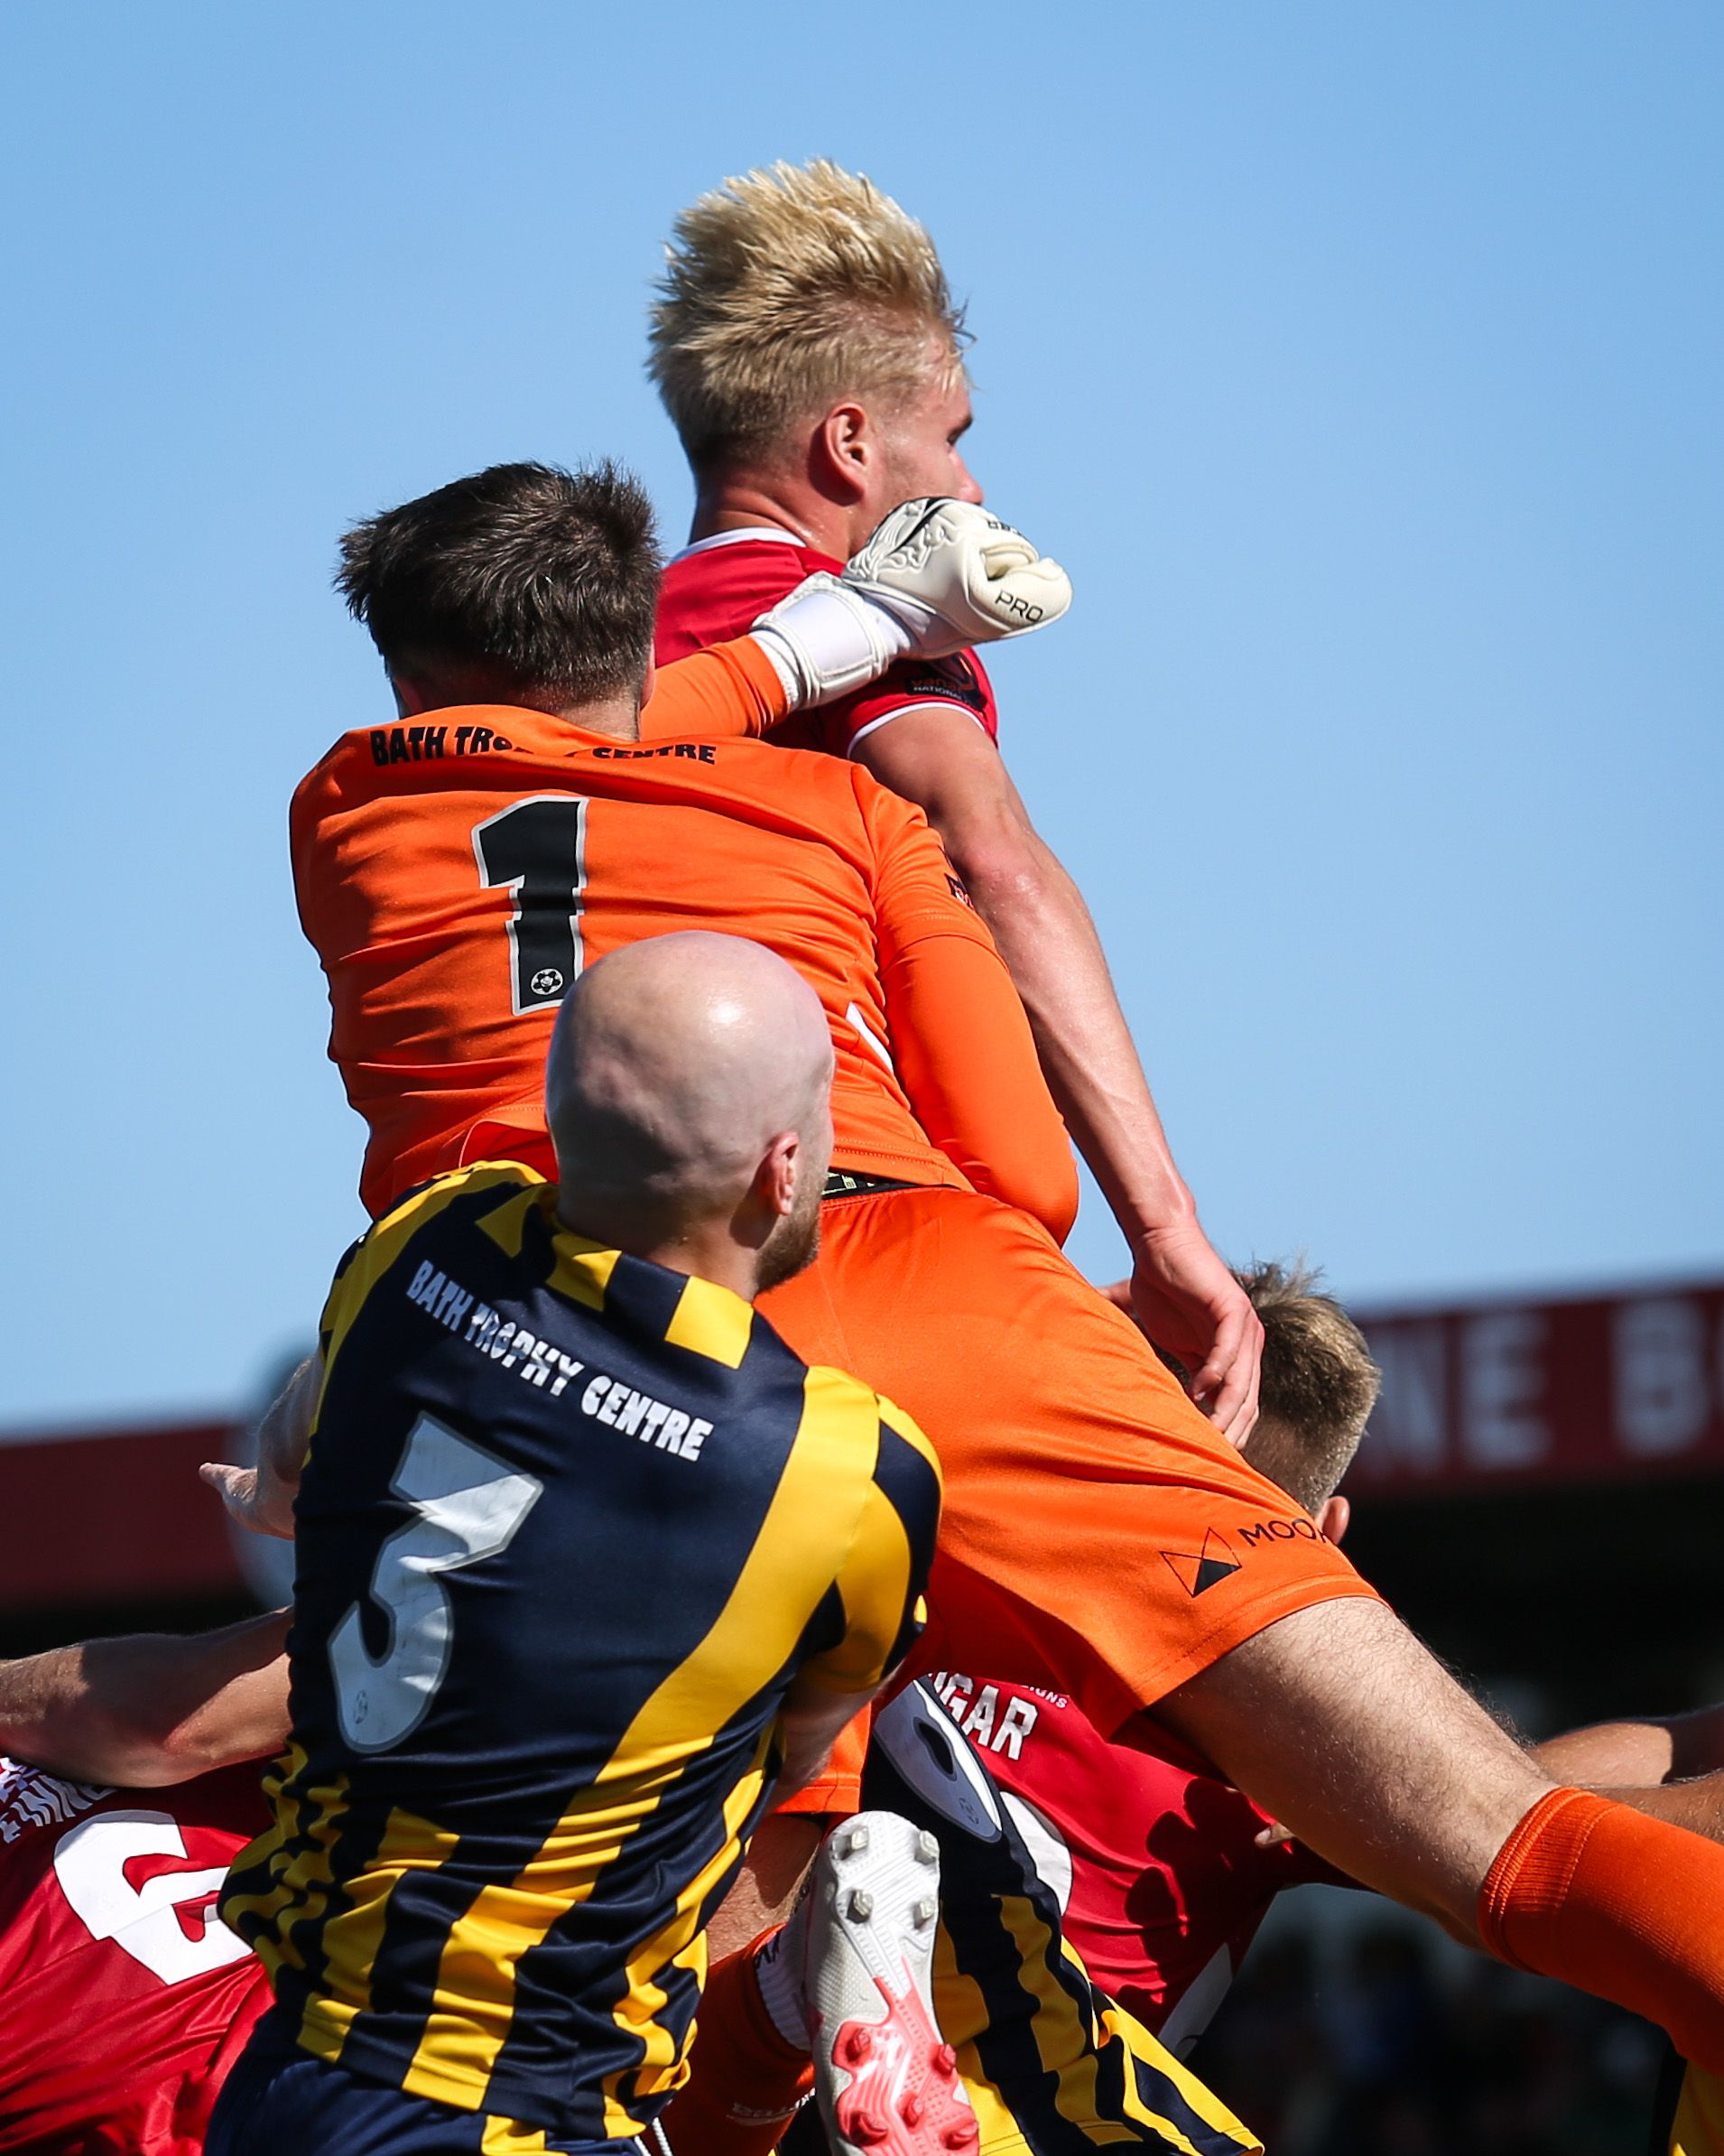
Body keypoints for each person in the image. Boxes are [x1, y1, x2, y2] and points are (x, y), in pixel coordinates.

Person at [287, 457, 1724, 2110]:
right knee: (1504, 1837)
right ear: (625, 632)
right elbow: (1030, 1179)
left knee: (633, 1992)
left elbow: (596, 728)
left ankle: (804, 1985)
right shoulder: (850, 813)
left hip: (592, 1351)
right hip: (944, 1283)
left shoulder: (352, 799)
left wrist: (827, 633)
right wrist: (871, 630)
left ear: (403, 681)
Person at [204, 934, 949, 2156]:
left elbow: (295, 1457)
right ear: (783, 1168)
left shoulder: (425, 1238)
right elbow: (777, 1755)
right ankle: (774, 2018)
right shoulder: (850, 1475)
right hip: (511, 2105)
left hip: (287, 2077)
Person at [646, 158, 1261, 1446]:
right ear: (851, 442)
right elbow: (995, 867)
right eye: (958, 438)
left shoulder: (610, 655)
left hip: (601, 1243)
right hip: (840, 1235)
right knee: (1239, 1603)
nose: (972, 489)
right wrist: (1163, 1227)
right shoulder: (866, 624)